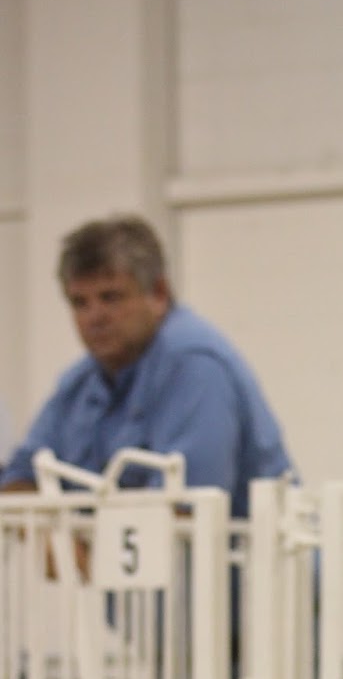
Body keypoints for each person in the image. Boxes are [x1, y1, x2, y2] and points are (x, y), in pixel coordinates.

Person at [0, 215, 293, 516]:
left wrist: (73, 558)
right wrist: (61, 549)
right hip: (122, 559)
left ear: (159, 294)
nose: (94, 317)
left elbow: (184, 513)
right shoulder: (79, 382)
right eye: (79, 303)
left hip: (238, 563)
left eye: (110, 297)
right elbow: (18, 481)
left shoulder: (196, 368)